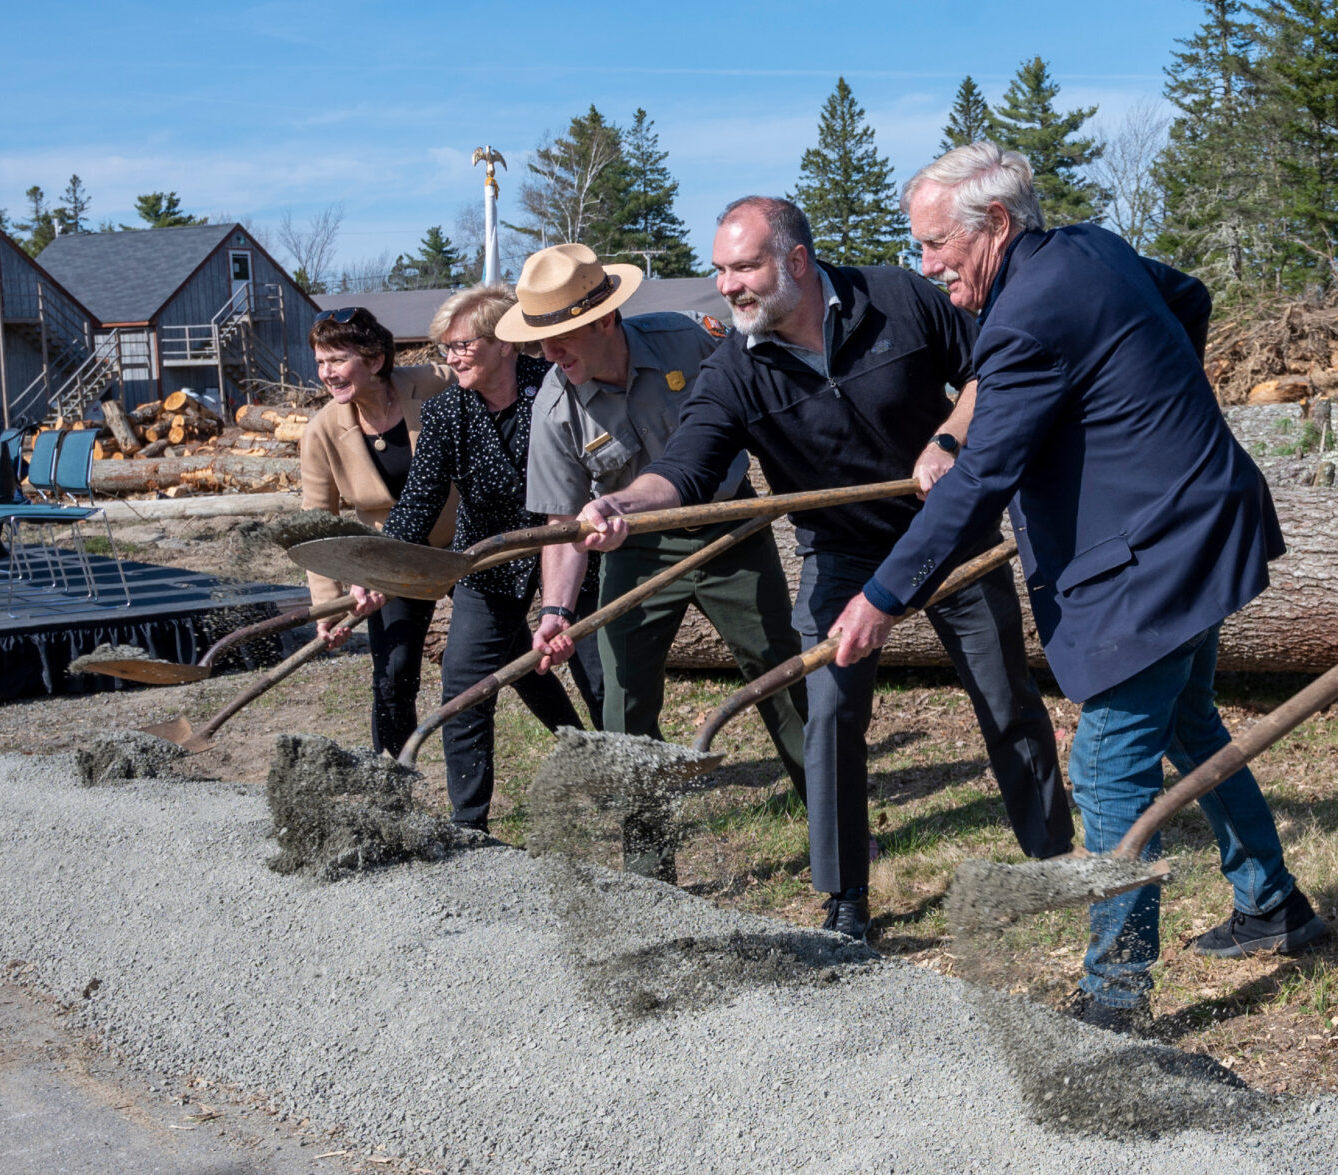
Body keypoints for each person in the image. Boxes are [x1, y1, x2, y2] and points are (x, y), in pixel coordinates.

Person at [831, 141, 1327, 1031]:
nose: (927, 265)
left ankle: (1115, 993)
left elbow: (982, 479)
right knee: (1189, 723)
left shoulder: (1025, 317)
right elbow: (1189, 299)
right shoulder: (1091, 247)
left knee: (1105, 765)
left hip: (1160, 556)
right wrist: (1145, 409)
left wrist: (881, 597)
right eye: (920, 246)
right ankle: (1273, 903)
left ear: (999, 225)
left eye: (938, 244)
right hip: (1202, 519)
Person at [571, 197, 1072, 942]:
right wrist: (625, 505)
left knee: (1005, 697)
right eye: (720, 270)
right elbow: (685, 466)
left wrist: (948, 439)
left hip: (948, 531)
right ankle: (845, 900)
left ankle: (1052, 858)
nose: (729, 285)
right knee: (830, 710)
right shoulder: (734, 369)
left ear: (796, 262)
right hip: (842, 551)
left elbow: (985, 366)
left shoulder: (896, 296)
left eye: (744, 266)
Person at [496, 243, 808, 883]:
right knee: (625, 702)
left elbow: (765, 398)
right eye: (539, 342)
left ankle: (835, 824)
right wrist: (556, 611)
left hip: (730, 531)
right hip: (633, 550)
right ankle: (648, 870)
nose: (549, 356)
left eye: (560, 338)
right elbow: (561, 526)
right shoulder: (554, 408)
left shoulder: (689, 341)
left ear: (604, 318)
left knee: (781, 677)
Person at [352, 285, 599, 833]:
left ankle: (620, 781)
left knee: (603, 679)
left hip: (573, 553)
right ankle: (471, 827)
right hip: (489, 562)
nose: (452, 357)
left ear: (505, 343)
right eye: (446, 347)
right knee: (464, 691)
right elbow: (418, 501)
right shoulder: (446, 412)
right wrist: (379, 569)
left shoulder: (557, 389)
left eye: (463, 345)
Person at [299, 307, 458, 758]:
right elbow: (318, 522)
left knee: (500, 658)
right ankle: (392, 774)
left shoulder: (430, 384)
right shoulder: (322, 432)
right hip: (390, 563)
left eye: (337, 360)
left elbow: (481, 372)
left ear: (374, 359)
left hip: (460, 544)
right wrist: (326, 606)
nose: (327, 374)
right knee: (394, 671)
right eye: (321, 363)